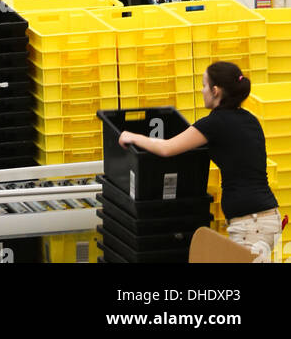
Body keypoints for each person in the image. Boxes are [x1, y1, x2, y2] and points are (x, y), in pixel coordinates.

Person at [118, 61, 282, 262]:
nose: (201, 90)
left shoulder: (214, 123)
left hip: (251, 224)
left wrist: (132, 137)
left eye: (204, 85)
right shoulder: (250, 120)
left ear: (215, 91)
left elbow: (167, 148)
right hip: (266, 217)